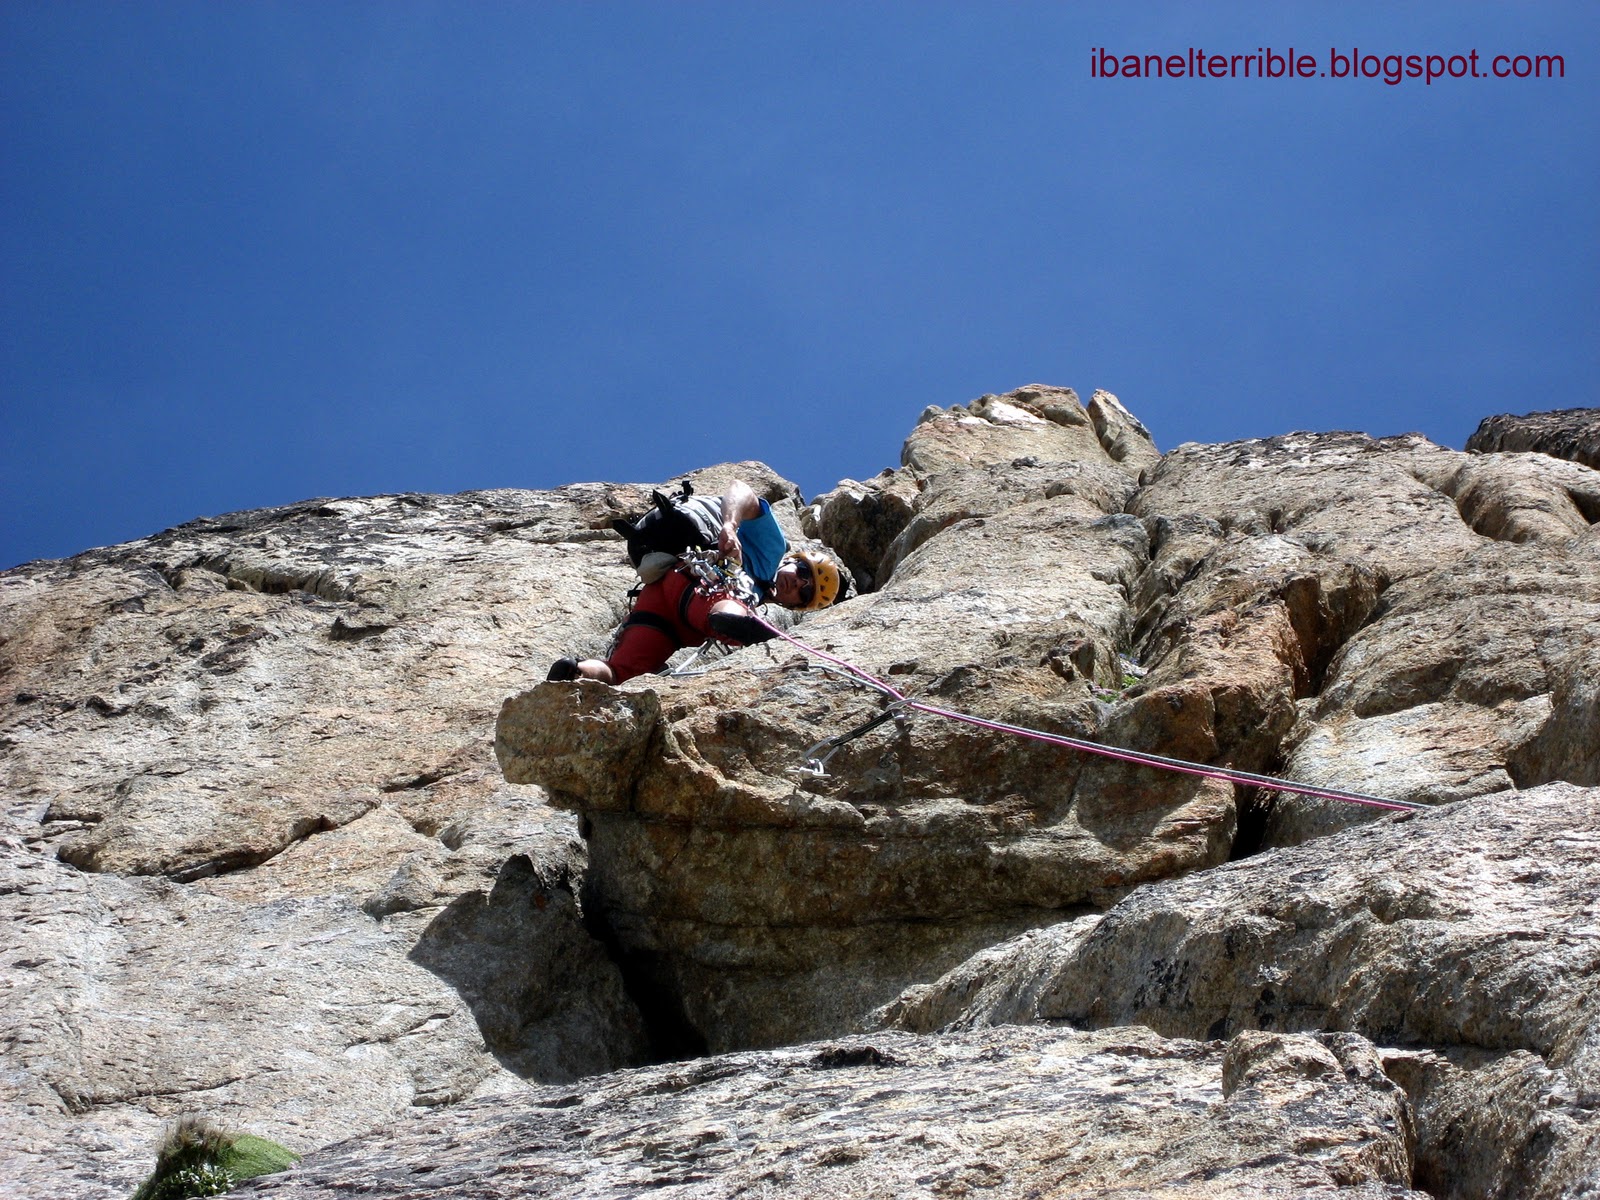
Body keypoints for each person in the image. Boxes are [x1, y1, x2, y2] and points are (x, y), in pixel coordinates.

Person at [547, 478, 841, 684]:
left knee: (623, 673)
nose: (799, 584)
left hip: (662, 603)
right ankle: (731, 622)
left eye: (806, 594)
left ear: (796, 607)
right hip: (701, 586)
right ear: (792, 560)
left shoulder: (762, 591)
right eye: (804, 573)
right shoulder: (771, 551)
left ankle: (575, 672)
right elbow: (742, 491)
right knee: (728, 606)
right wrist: (730, 526)